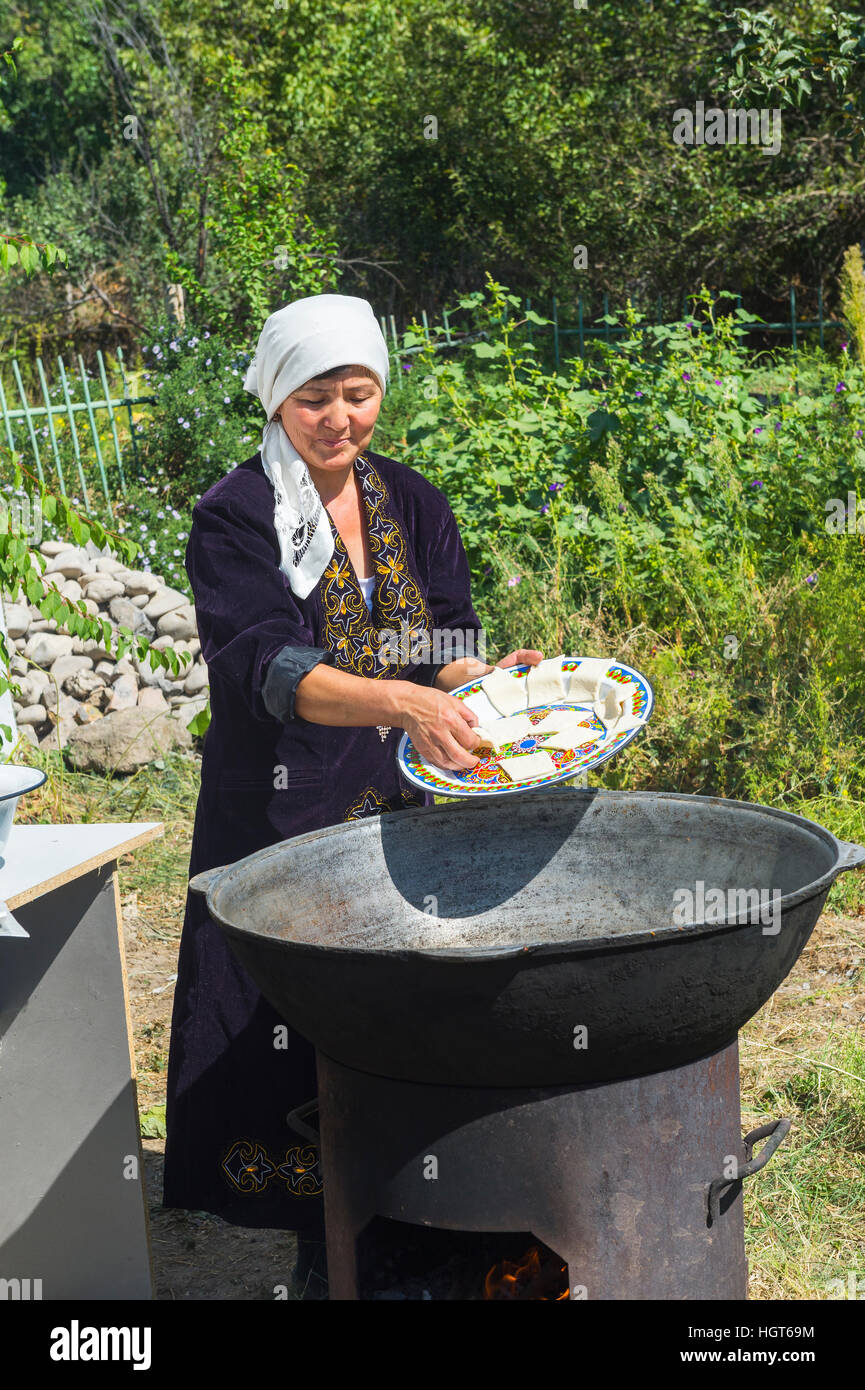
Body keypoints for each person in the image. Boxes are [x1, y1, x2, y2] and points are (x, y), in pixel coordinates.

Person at [162, 294, 542, 1280]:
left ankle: (410, 1225)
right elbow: (267, 668)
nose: (338, 417)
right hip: (282, 808)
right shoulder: (235, 514)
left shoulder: (411, 499)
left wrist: (490, 682)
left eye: (358, 394)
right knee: (287, 1022)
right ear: (279, 398)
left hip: (403, 804)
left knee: (395, 1015)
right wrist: (401, 701)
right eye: (315, 397)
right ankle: (318, 1252)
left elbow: (444, 638)